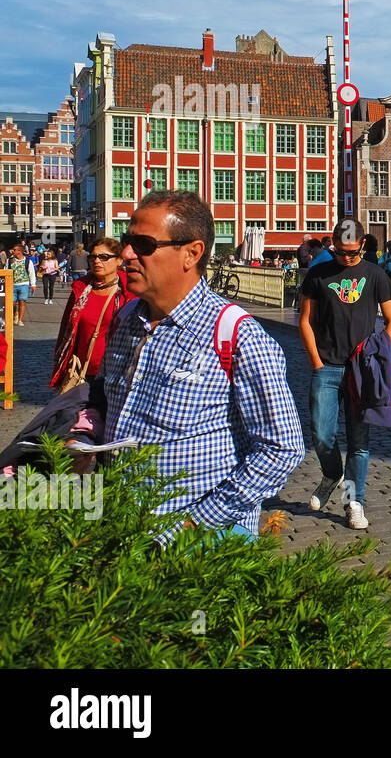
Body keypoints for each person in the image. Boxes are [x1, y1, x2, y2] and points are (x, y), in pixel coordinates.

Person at [95, 190, 303, 542]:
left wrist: (194, 526)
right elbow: (110, 404)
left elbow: (282, 448)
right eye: (127, 241)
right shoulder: (127, 318)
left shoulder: (237, 335)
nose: (126, 254)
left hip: (198, 544)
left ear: (191, 254)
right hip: (121, 527)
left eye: (143, 245)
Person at [299, 219, 391, 530]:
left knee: (359, 441)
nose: (346, 259)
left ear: (363, 246)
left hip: (361, 370)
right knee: (321, 434)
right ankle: (332, 473)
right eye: (340, 253)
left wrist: (379, 353)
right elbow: (305, 320)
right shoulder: (317, 274)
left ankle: (354, 502)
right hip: (327, 366)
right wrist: (316, 361)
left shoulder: (376, 274)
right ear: (332, 246)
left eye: (353, 253)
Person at [50, 237, 135, 390]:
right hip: (84, 372)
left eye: (104, 257)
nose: (96, 261)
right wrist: (61, 366)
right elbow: (66, 330)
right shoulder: (81, 289)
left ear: (119, 260)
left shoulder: (130, 291)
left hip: (119, 372)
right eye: (93, 256)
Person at [6, 242, 32, 326]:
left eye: (14, 250)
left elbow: (31, 272)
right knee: (12, 303)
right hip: (12, 284)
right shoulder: (9, 260)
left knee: (22, 302)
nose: (12, 251)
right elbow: (6, 271)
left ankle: (20, 320)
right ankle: (15, 314)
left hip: (24, 283)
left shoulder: (27, 261)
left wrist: (33, 284)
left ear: (19, 251)